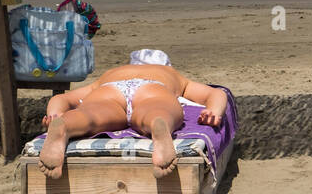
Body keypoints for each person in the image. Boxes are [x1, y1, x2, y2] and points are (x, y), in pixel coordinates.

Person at [37, 49, 227, 180]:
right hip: (153, 88)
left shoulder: (113, 73)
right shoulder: (170, 73)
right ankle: (157, 123)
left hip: (110, 89)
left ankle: (66, 126)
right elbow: (216, 93)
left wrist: (56, 114)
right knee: (157, 109)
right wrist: (213, 111)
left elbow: (64, 98)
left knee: (90, 115)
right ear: (164, 64)